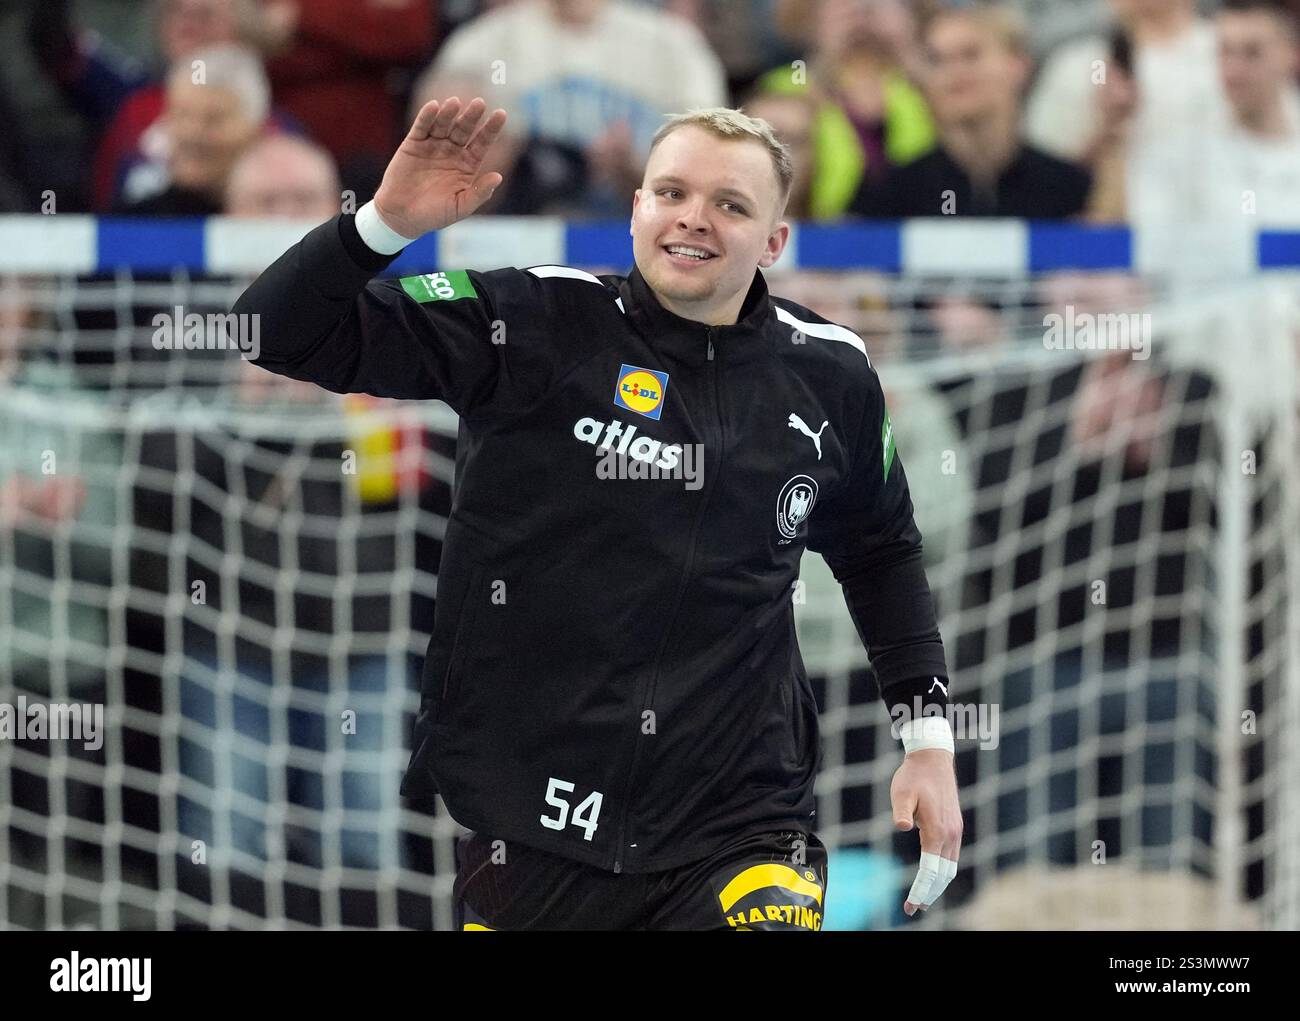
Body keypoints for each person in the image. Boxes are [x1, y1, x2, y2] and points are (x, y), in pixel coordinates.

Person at [232, 95, 962, 930]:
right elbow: (269, 331)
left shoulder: (831, 373)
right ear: (637, 208)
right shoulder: (531, 321)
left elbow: (881, 554)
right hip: (534, 818)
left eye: (731, 205)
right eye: (673, 193)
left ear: (773, 242)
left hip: (741, 818)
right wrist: (383, 226)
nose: (695, 219)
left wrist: (929, 742)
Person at [850, 4, 1090, 219]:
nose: (955, 73)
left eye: (971, 54)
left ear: (1018, 65)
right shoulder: (892, 195)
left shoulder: (1068, 189)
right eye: (937, 60)